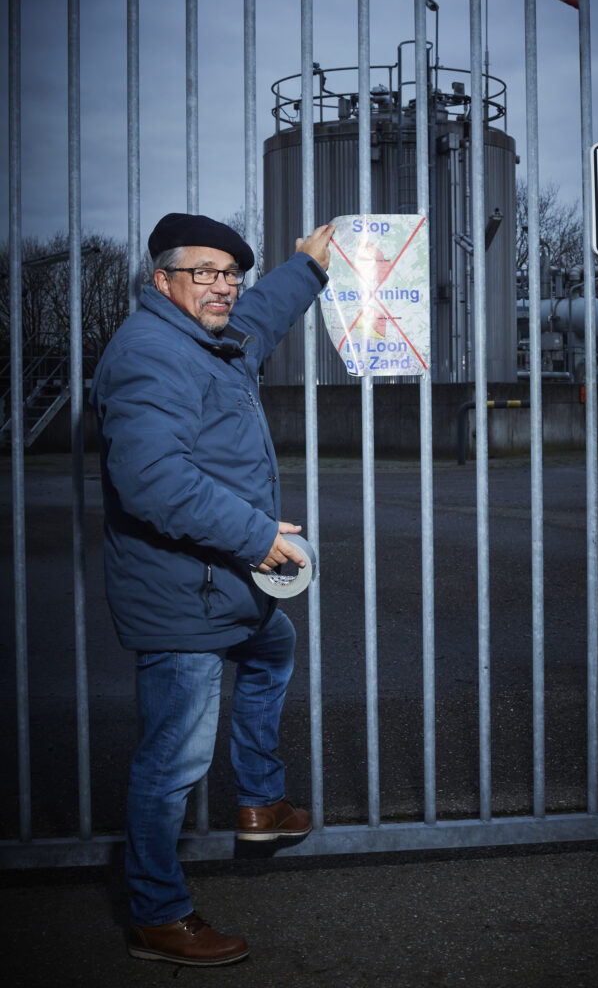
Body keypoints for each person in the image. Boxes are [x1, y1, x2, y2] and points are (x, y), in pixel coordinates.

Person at [90, 211, 335, 967]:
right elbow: (151, 481)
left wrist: (309, 269)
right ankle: (157, 915)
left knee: (273, 648)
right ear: (161, 279)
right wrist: (256, 534)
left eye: (230, 273)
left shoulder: (213, 338)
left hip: (221, 583)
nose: (223, 286)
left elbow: (258, 316)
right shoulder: (149, 356)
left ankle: (260, 803)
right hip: (180, 595)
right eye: (203, 272)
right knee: (174, 760)